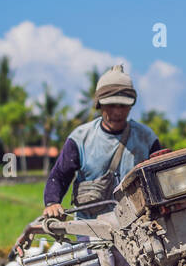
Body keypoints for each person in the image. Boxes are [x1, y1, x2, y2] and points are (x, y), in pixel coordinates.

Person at [43, 65, 163, 218]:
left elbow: (160, 177)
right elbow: (59, 176)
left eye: (123, 106)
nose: (117, 112)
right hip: (92, 229)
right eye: (111, 105)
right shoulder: (80, 139)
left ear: (131, 105)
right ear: (99, 105)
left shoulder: (146, 138)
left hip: (138, 227)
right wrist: (52, 202)